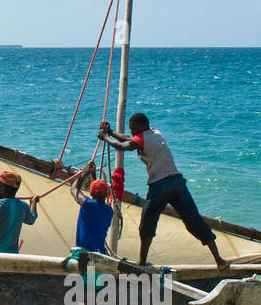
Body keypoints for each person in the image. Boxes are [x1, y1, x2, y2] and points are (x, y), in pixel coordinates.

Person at [98, 114, 229, 268]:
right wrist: (111, 132)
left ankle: (141, 262)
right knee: (194, 221)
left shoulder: (139, 139)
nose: (131, 131)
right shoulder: (155, 132)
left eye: (134, 128)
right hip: (177, 182)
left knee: (147, 223)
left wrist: (104, 137)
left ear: (143, 125)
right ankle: (219, 261)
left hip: (160, 185)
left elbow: (123, 145)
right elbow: (128, 138)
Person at [69, 160, 113, 254]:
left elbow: (74, 189)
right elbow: (96, 196)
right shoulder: (109, 211)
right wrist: (92, 173)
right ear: (106, 194)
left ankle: (90, 269)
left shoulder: (87, 204)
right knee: (92, 268)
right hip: (99, 252)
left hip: (87, 255)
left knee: (90, 268)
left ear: (90, 192)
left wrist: (84, 173)